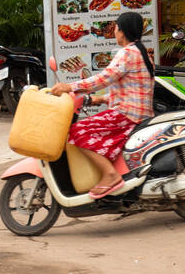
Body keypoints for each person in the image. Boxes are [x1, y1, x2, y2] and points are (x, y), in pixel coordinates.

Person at [50, 11, 154, 199]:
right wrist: (100, 99)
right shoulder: (141, 51)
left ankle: (111, 175)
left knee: (78, 130)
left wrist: (70, 87)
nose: (114, 31)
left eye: (115, 28)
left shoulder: (127, 53)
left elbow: (105, 78)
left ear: (122, 32)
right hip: (137, 113)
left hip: (127, 114)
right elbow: (133, 87)